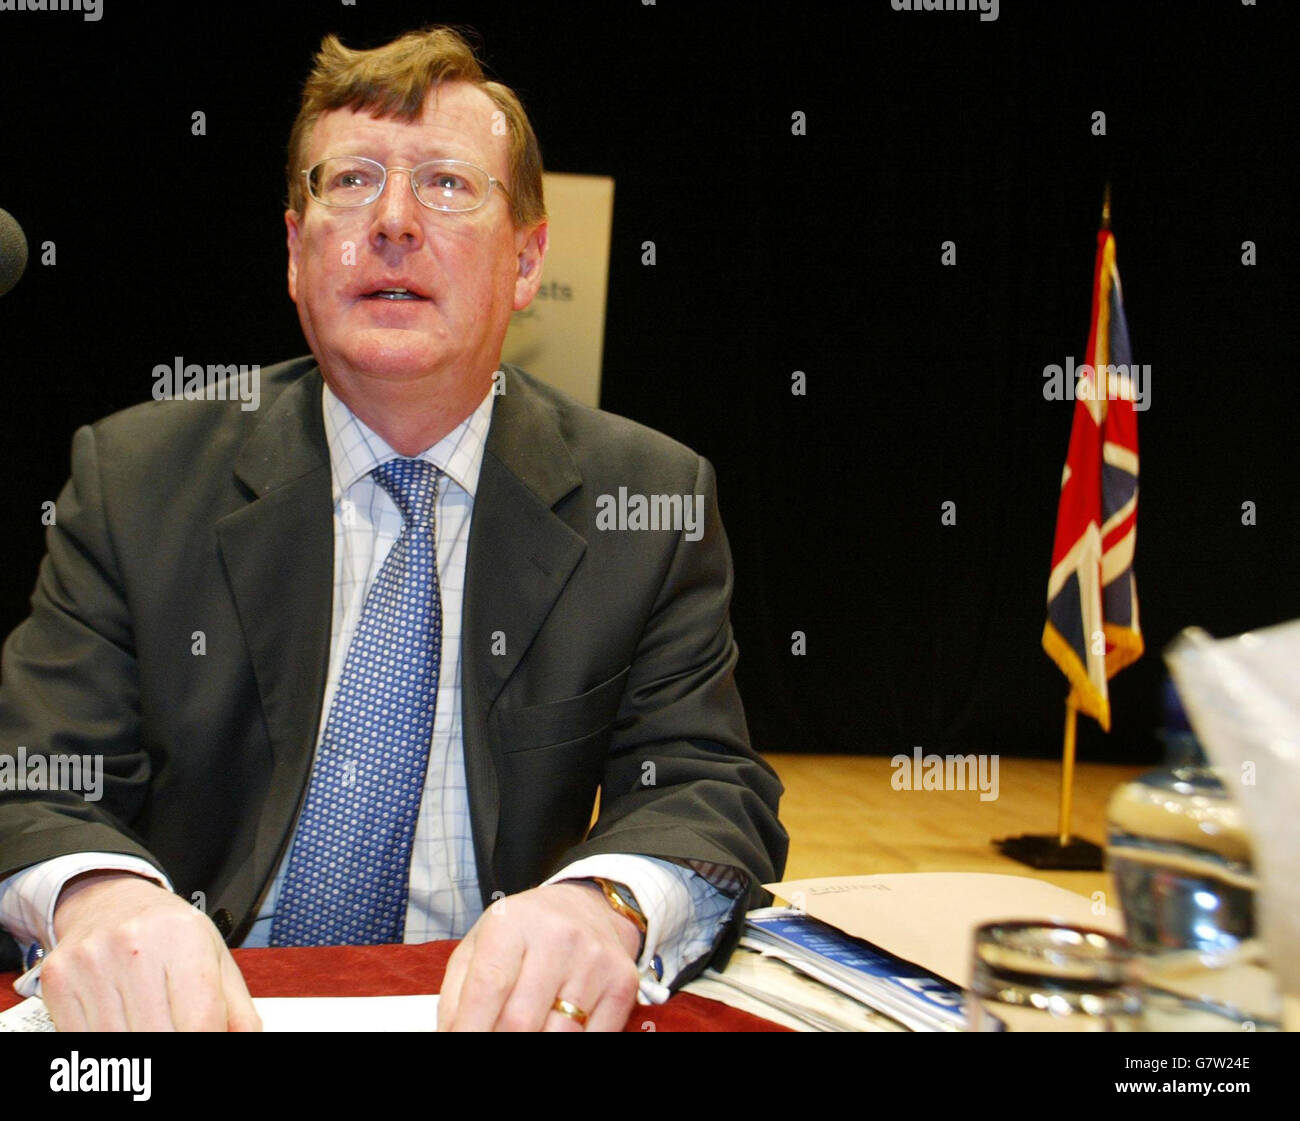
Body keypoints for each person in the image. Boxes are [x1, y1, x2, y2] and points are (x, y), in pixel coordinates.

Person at [0, 26, 786, 1032]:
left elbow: (704, 780)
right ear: (295, 251)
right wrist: (100, 896)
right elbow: (38, 768)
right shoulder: (137, 476)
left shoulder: (647, 500)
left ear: (526, 259)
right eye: (353, 181)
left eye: (450, 185)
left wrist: (604, 904)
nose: (395, 223)